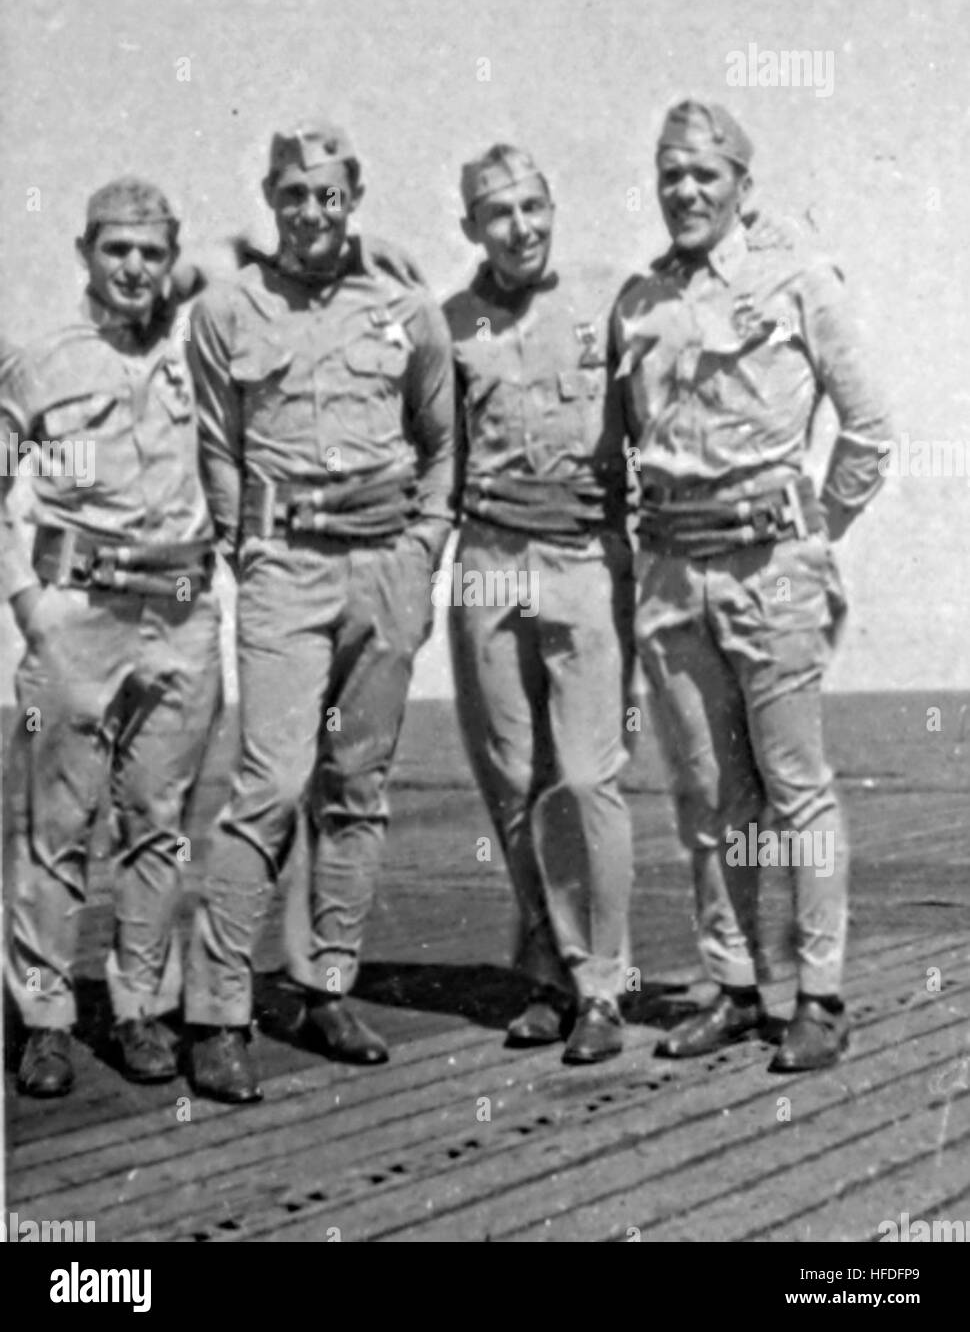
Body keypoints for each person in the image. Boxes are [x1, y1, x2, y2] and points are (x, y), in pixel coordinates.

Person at [610, 100, 890, 1070]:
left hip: (771, 571)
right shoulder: (638, 301)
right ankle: (731, 988)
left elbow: (868, 431)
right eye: (670, 177)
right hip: (671, 574)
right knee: (706, 793)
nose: (685, 193)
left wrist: (817, 531)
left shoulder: (798, 279)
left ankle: (818, 997)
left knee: (795, 788)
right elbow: (623, 448)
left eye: (705, 177)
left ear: (741, 185)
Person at [183, 117, 455, 1103]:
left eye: (329, 194)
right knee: (268, 785)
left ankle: (324, 985)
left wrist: (425, 549)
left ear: (354, 197)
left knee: (357, 787)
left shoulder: (408, 309)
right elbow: (217, 443)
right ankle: (216, 1012)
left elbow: (439, 441)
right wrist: (243, 545)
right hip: (285, 567)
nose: (311, 212)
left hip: (385, 564)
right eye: (293, 195)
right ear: (271, 199)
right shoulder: (226, 311)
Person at [2, 179, 222, 1097]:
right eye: (117, 250)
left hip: (179, 616)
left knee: (157, 826)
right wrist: (25, 600)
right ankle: (46, 1016)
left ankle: (139, 1007)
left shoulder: (197, 351)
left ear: (171, 262)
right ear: (87, 252)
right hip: (78, 617)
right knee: (56, 828)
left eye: (153, 253)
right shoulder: (41, 362)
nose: (134, 267)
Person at [443, 144, 636, 1065]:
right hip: (485, 563)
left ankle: (603, 986)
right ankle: (552, 974)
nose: (518, 227)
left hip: (583, 560)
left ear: (552, 206)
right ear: (471, 227)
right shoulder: (448, 326)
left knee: (588, 778)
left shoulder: (611, 302)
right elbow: (429, 464)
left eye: (531, 207)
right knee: (513, 778)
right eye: (496, 213)